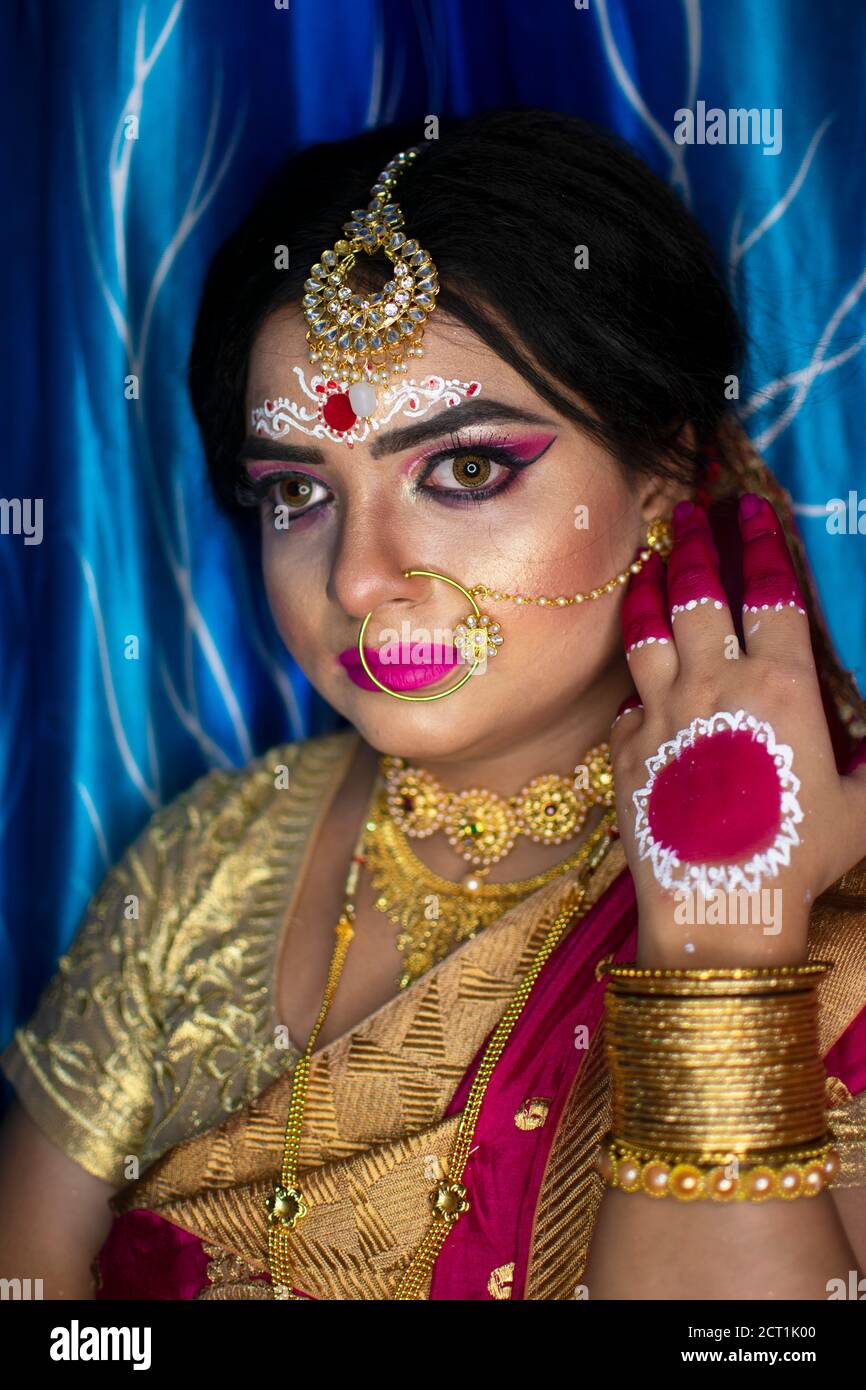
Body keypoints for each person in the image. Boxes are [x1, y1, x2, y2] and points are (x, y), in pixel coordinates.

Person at [1, 108, 864, 1302]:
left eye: (462, 469)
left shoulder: (831, 894)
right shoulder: (211, 857)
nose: (359, 576)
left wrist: (718, 953)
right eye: (297, 490)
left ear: (665, 474)